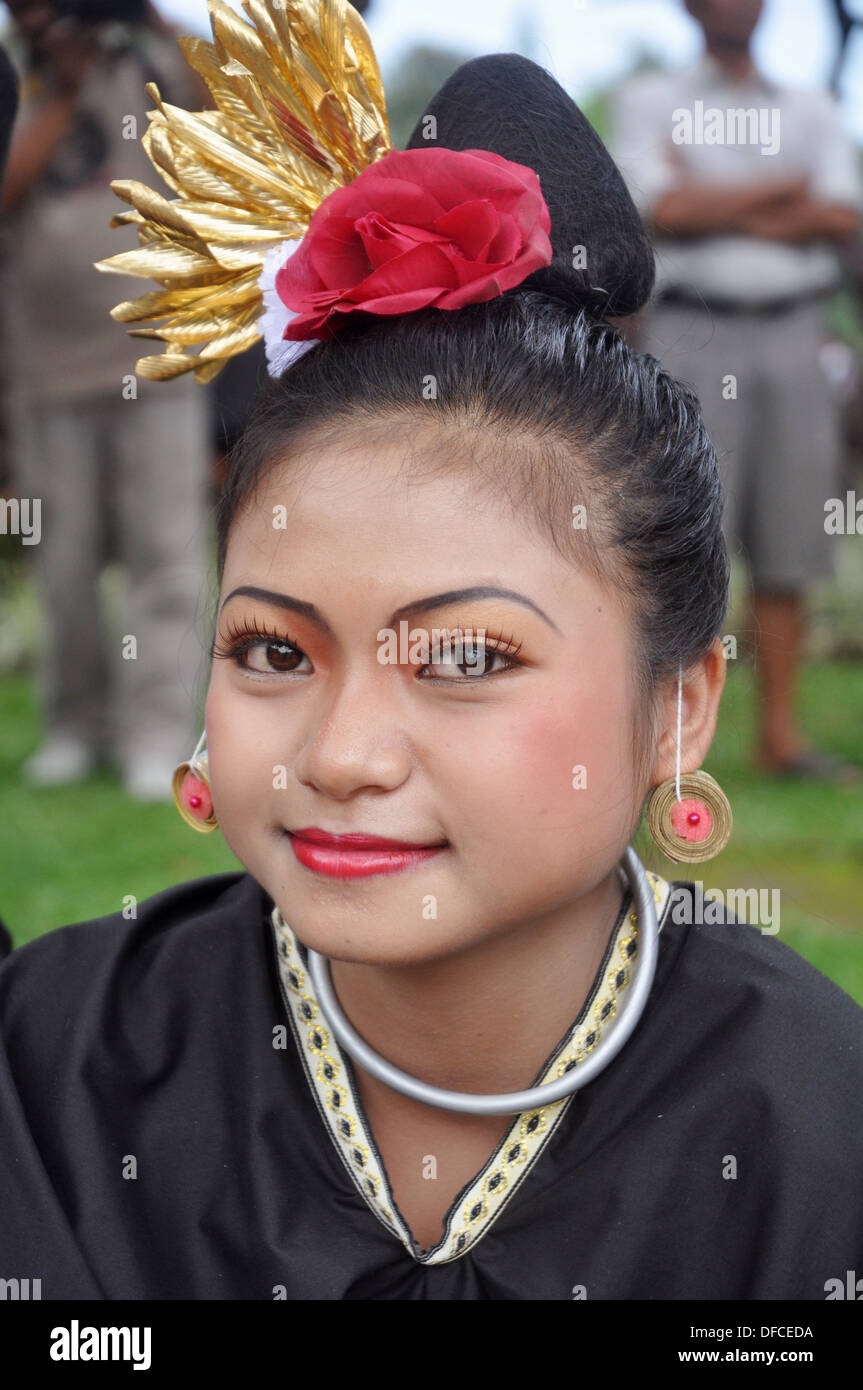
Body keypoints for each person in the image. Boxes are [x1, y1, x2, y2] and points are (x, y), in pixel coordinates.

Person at [0, 2, 861, 1300]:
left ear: (676, 706)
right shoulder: (57, 1072)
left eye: (462, 657)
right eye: (272, 653)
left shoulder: (813, 1132)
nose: (339, 755)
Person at [610, 0, 863, 783]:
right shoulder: (650, 98)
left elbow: (840, 215)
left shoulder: (812, 105)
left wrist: (715, 201)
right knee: (686, 533)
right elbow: (662, 210)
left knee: (790, 536)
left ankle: (778, 738)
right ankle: (671, 741)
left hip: (797, 334)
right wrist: (782, 196)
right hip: (692, 332)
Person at [0, 0, 213, 797]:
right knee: (65, 561)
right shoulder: (17, 86)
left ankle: (156, 733)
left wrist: (150, 17)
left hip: (157, 359)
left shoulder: (152, 67)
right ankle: (71, 726)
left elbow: (234, 96)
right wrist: (61, 90)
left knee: (166, 554)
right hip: (45, 371)